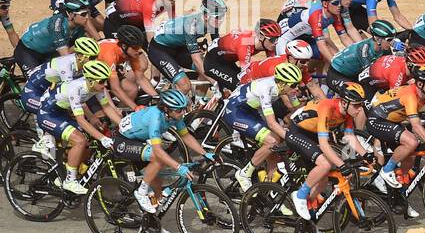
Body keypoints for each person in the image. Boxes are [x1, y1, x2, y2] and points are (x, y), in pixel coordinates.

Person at [367, 64, 425, 199]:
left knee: (410, 158)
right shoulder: (411, 95)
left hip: (393, 120)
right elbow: (415, 126)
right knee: (412, 141)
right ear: (420, 84)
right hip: (377, 120)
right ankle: (386, 172)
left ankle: (398, 192)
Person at [112, 88, 210, 218]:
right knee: (158, 158)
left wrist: (205, 153)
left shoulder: (174, 116)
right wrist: (178, 167)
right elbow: (157, 150)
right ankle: (141, 193)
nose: (183, 113)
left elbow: (186, 137)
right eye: (179, 110)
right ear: (166, 109)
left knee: (157, 183)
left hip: (138, 142)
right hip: (123, 141)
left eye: (184, 109)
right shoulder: (156, 117)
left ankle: (151, 218)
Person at [283, 81, 370, 220]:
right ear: (344, 102)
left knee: (323, 180)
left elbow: (350, 137)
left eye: (360, 104)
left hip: (313, 134)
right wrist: (342, 165)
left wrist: (367, 155)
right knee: (326, 164)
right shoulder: (327, 107)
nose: (360, 109)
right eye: (356, 105)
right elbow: (324, 145)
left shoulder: (347, 113)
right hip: (298, 132)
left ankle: (307, 209)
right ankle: (299, 195)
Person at [37, 59, 123, 194]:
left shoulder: (97, 87)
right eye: (102, 81)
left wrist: (124, 125)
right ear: (90, 80)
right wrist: (103, 138)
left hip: (62, 112)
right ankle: (69, 181)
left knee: (88, 140)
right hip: (48, 114)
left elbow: (107, 108)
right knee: (80, 140)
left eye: (105, 80)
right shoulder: (75, 89)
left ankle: (67, 169)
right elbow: (82, 120)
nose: (105, 84)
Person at [226, 62, 306, 193]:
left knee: (274, 152)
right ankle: (244, 173)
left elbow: (297, 109)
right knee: (272, 141)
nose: (297, 88)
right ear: (282, 83)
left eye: (298, 83)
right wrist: (290, 137)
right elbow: (271, 123)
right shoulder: (266, 88)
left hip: (251, 111)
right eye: (294, 85)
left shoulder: (288, 87)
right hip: (236, 111)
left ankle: (271, 192)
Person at [150, 0, 226, 94]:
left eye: (222, 16)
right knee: (185, 86)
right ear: (206, 15)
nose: (221, 20)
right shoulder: (191, 26)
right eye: (218, 17)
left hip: (178, 48)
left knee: (209, 67)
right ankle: (167, 108)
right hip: (160, 50)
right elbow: (196, 60)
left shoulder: (212, 22)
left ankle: (199, 104)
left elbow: (217, 47)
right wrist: (215, 83)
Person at [14, 0, 92, 73]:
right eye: (83, 14)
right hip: (28, 51)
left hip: (48, 51)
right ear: (70, 14)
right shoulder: (57, 26)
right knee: (37, 80)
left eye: (88, 13)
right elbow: (67, 57)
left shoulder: (80, 25)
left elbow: (85, 46)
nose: (87, 17)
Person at [323, 19, 397, 94]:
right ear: (378, 39)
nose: (392, 43)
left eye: (393, 39)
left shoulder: (384, 47)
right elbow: (368, 75)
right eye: (389, 40)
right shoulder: (364, 51)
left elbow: (391, 65)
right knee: (358, 95)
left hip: (355, 73)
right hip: (337, 75)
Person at [96, 25, 156, 111]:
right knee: (104, 90)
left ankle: (121, 111)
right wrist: (135, 107)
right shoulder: (110, 54)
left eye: (140, 46)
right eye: (135, 47)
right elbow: (115, 88)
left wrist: (157, 97)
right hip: (95, 70)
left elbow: (141, 78)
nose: (138, 50)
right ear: (124, 46)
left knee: (132, 90)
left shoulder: (131, 51)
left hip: (107, 66)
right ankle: (112, 114)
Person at [103, 0, 180, 39]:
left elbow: (176, 24)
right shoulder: (149, 5)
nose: (174, 0)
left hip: (134, 21)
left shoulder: (168, 1)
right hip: (114, 23)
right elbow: (150, 37)